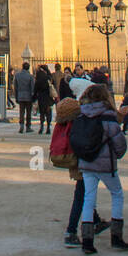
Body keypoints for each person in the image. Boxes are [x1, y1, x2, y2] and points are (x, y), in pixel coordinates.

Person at [74, 84, 128, 254]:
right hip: (106, 164)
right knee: (117, 194)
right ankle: (116, 237)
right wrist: (118, 154)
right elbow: (119, 142)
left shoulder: (81, 114)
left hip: (86, 163)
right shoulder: (108, 116)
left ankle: (87, 241)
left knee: (89, 199)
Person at [51, 94, 110, 247]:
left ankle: (96, 221)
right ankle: (70, 231)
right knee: (81, 194)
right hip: (81, 161)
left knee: (85, 192)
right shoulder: (77, 122)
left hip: (72, 160)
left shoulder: (62, 124)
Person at [14, 60, 34, 133]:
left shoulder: (17, 75)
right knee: (28, 112)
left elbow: (15, 87)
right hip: (28, 96)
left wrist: (16, 96)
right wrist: (33, 96)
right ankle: (28, 126)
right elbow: (32, 87)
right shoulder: (30, 76)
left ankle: (21, 124)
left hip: (20, 96)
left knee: (21, 112)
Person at [34, 63, 54, 134]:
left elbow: (35, 90)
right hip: (48, 98)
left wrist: (34, 99)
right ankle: (48, 127)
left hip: (41, 98)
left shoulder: (38, 78)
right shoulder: (48, 78)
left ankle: (41, 127)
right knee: (48, 113)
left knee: (42, 113)